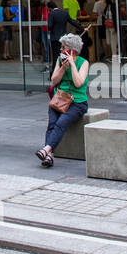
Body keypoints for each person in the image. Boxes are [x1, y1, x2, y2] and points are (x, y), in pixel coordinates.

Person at [36, 33, 89, 167]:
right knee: (52, 124)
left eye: (63, 47)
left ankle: (46, 150)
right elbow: (54, 80)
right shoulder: (60, 60)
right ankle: (49, 156)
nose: (60, 50)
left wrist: (72, 65)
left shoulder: (83, 63)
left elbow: (78, 83)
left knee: (61, 123)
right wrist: (62, 68)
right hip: (59, 98)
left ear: (72, 50)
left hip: (77, 101)